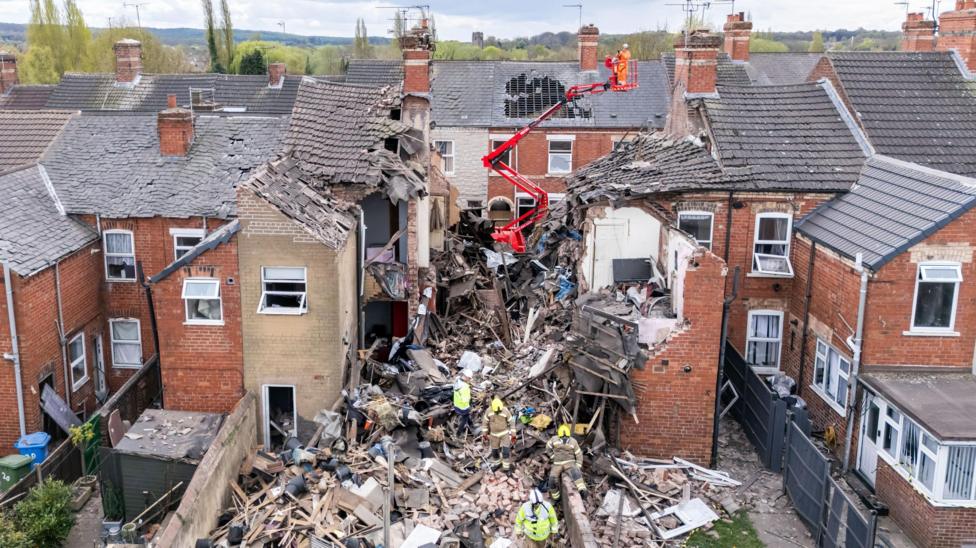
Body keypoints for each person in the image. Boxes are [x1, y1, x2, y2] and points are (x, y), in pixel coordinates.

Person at [546, 424, 587, 501]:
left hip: (570, 462)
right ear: (559, 436)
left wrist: (578, 465)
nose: (564, 439)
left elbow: (578, 453)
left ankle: (582, 490)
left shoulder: (573, 442)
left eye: (566, 438)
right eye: (562, 438)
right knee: (552, 480)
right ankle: (556, 497)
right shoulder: (554, 440)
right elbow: (548, 447)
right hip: (557, 464)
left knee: (576, 473)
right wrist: (552, 456)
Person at [482, 396, 516, 471]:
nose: (498, 412)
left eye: (499, 411)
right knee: (494, 451)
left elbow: (512, 423)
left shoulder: (505, 411)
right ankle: (497, 464)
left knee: (506, 451)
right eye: (496, 412)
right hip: (493, 435)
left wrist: (513, 435)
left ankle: (506, 468)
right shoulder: (488, 411)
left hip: (504, 433)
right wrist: (484, 434)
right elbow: (485, 423)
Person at [453, 370, 473, 435]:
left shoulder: (457, 381)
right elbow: (465, 400)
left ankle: (471, 423)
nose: (470, 380)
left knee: (467, 415)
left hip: (456, 404)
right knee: (464, 418)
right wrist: (470, 404)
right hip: (463, 407)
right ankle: (458, 433)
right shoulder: (464, 387)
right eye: (469, 378)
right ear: (467, 377)